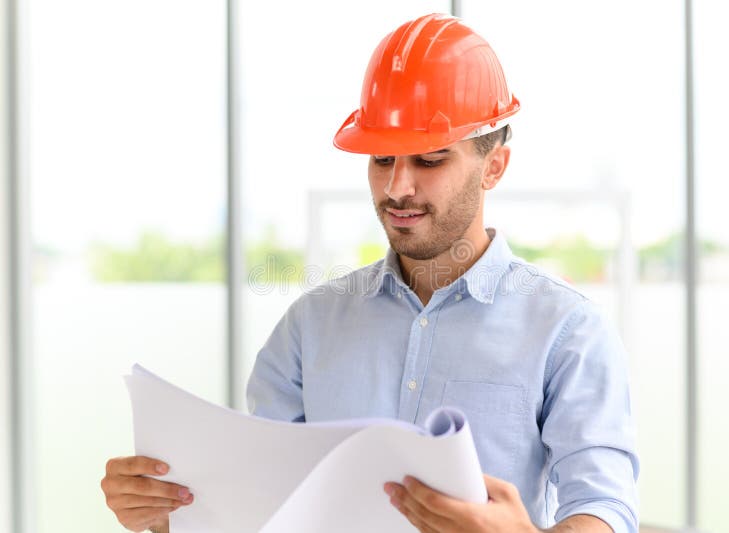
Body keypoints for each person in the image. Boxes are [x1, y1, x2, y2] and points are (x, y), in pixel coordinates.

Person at [101, 13, 639, 533]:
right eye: (382, 159)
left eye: (429, 160)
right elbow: (262, 506)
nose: (397, 187)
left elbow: (605, 506)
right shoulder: (309, 326)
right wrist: (166, 515)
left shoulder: (568, 332)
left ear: (493, 165)